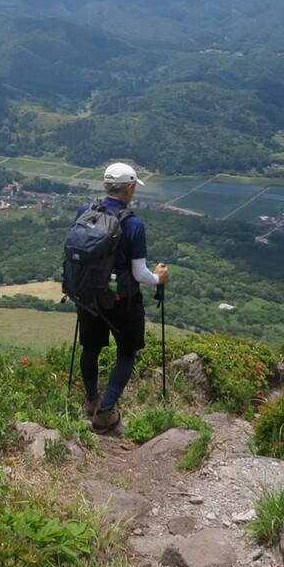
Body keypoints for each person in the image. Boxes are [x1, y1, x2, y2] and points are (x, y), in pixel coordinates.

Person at [78, 161, 170, 432]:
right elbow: (140, 273)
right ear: (129, 189)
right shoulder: (133, 224)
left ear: (107, 186)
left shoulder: (85, 211)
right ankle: (104, 414)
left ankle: (91, 400)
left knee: (90, 349)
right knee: (126, 353)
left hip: (89, 295)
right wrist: (159, 278)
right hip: (122, 300)